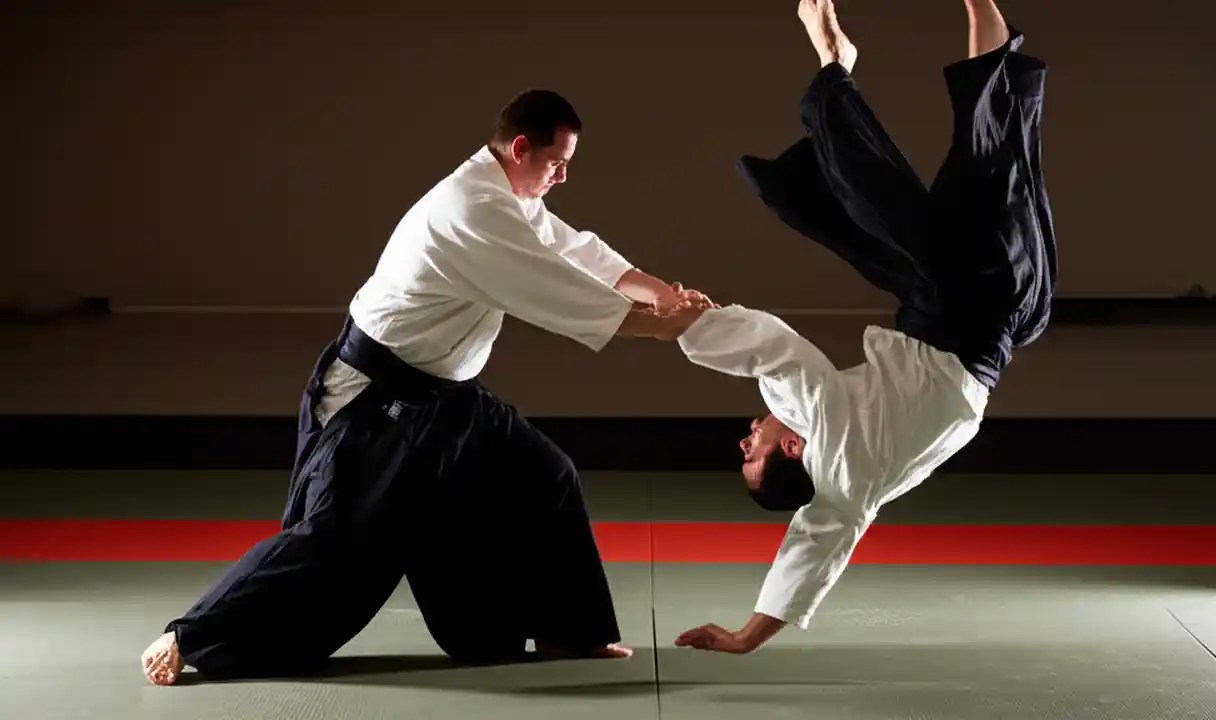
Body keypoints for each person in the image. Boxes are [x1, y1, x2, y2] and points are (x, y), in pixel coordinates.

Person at [141, 89, 711, 685]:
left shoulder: (510, 196)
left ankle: (569, 630)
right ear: (520, 148)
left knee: (547, 475)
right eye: (556, 162)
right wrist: (659, 327)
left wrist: (657, 293)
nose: (564, 176)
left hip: (449, 396)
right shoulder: (470, 208)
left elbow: (571, 249)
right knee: (335, 540)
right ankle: (191, 633)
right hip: (376, 396)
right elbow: (554, 294)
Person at [667, 0, 1057, 654]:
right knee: (875, 194)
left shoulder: (845, 495)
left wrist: (747, 637)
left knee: (984, 151)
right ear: (791, 451)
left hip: (997, 315)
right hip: (959, 306)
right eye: (751, 456)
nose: (744, 442)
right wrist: (682, 325)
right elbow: (776, 350)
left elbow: (814, 551)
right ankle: (833, 71)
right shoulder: (822, 425)